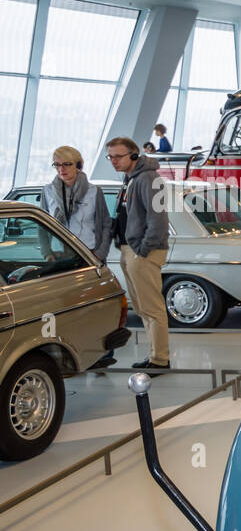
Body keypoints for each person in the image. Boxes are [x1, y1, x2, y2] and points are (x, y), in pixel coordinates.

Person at [41, 146, 117, 369]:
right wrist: (46, 251)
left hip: (88, 255)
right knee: (65, 308)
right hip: (59, 257)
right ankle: (70, 352)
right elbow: (42, 225)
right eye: (57, 164)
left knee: (95, 306)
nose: (61, 169)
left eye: (66, 164)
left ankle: (102, 353)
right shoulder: (48, 191)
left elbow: (105, 224)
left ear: (78, 165)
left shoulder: (94, 191)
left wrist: (100, 253)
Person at [106, 136, 170, 372]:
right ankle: (155, 355)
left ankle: (160, 360)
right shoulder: (130, 178)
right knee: (142, 307)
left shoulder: (150, 179)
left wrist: (143, 249)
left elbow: (158, 220)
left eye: (118, 156)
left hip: (142, 251)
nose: (113, 161)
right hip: (129, 248)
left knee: (152, 307)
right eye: (110, 156)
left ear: (134, 155)